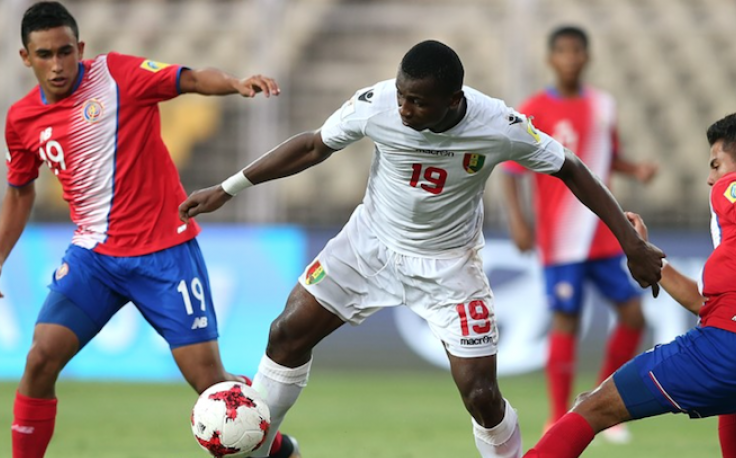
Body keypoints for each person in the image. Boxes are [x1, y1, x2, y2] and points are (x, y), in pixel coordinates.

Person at [178, 39, 665, 458]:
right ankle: (261, 451)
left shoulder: (500, 124)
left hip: (451, 266)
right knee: (286, 333)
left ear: (453, 100)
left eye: (418, 103)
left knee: (480, 395)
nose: (405, 109)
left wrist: (629, 243)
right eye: (402, 96)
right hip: (369, 245)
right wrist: (229, 187)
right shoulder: (376, 104)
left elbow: (572, 168)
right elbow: (311, 147)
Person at [0, 1, 298, 458]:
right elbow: (18, 192)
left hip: (165, 254)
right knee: (39, 358)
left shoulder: (116, 76)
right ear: (25, 58)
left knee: (211, 386)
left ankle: (279, 450)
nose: (57, 64)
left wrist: (233, 83)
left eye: (65, 51)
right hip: (93, 258)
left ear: (81, 48)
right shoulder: (21, 119)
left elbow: (188, 78)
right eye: (45, 55)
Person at [524, 113, 736, 458]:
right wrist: (650, 259)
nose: (711, 179)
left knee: (591, 405)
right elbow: (702, 301)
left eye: (715, 164)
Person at [500, 25, 658, 442]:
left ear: (587, 57)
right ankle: (558, 416)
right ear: (551, 58)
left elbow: (605, 155)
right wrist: (519, 221)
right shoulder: (533, 108)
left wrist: (633, 169)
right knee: (566, 319)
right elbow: (512, 170)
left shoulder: (604, 105)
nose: (571, 58)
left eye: (577, 51)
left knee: (633, 314)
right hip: (561, 239)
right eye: (563, 51)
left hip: (606, 234)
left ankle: (605, 404)